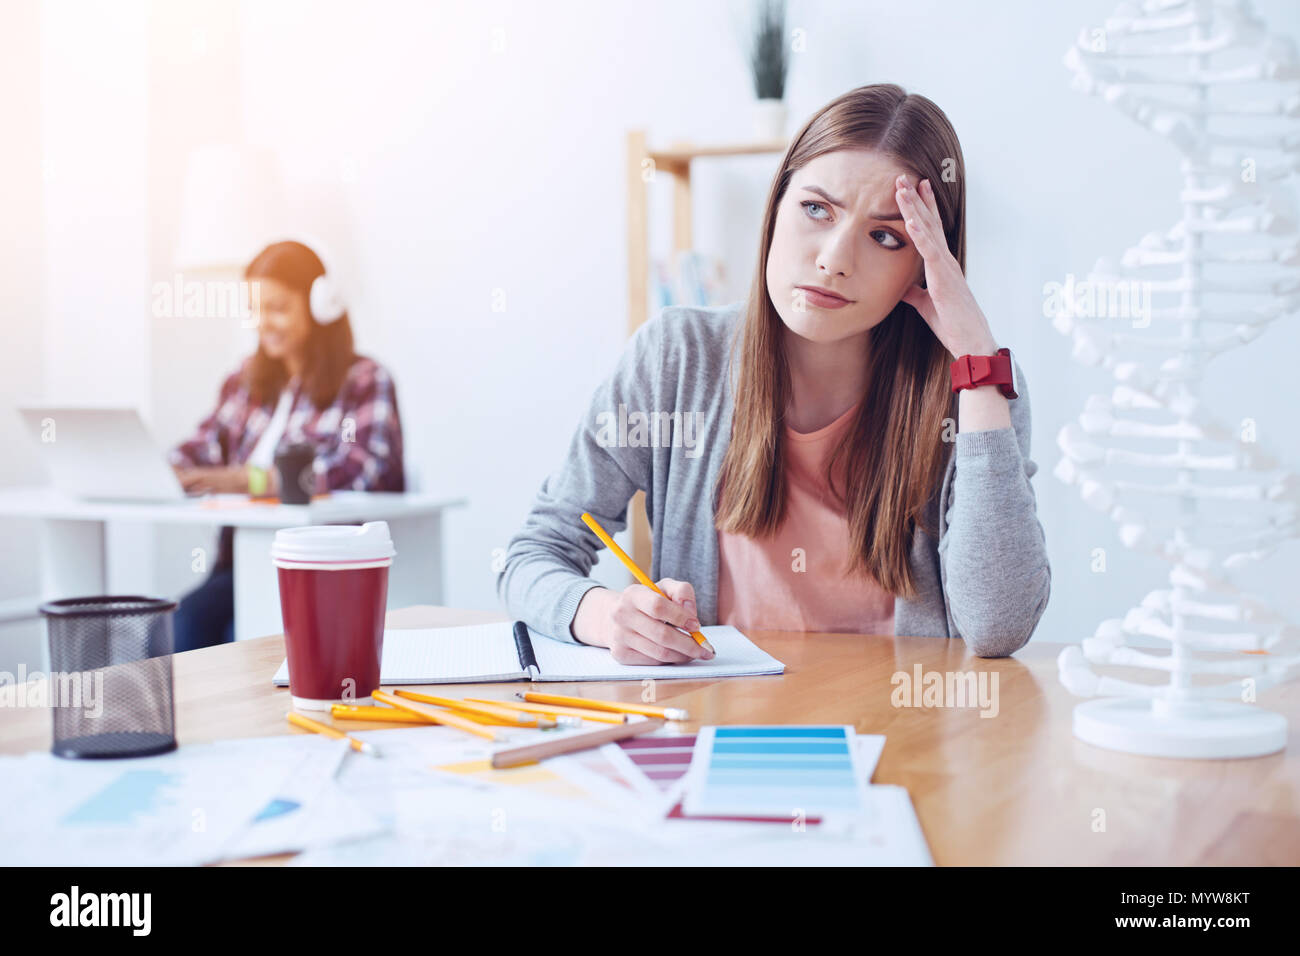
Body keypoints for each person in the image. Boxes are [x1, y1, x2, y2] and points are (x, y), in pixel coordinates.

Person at [498, 83, 1050, 664]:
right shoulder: (677, 357)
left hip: (903, 739)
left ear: (928, 264)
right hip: (716, 733)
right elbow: (535, 554)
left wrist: (978, 363)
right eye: (817, 209)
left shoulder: (973, 389)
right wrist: (607, 616)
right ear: (777, 206)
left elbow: (998, 627)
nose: (834, 258)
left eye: (886, 236)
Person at [168, 240, 405, 652]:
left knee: (230, 635)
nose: (264, 323)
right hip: (241, 561)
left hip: (321, 566)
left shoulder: (365, 381)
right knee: (183, 622)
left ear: (320, 305)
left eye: (278, 308)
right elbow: (203, 447)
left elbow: (366, 470)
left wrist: (249, 480)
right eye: (256, 310)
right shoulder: (244, 381)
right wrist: (164, 471)